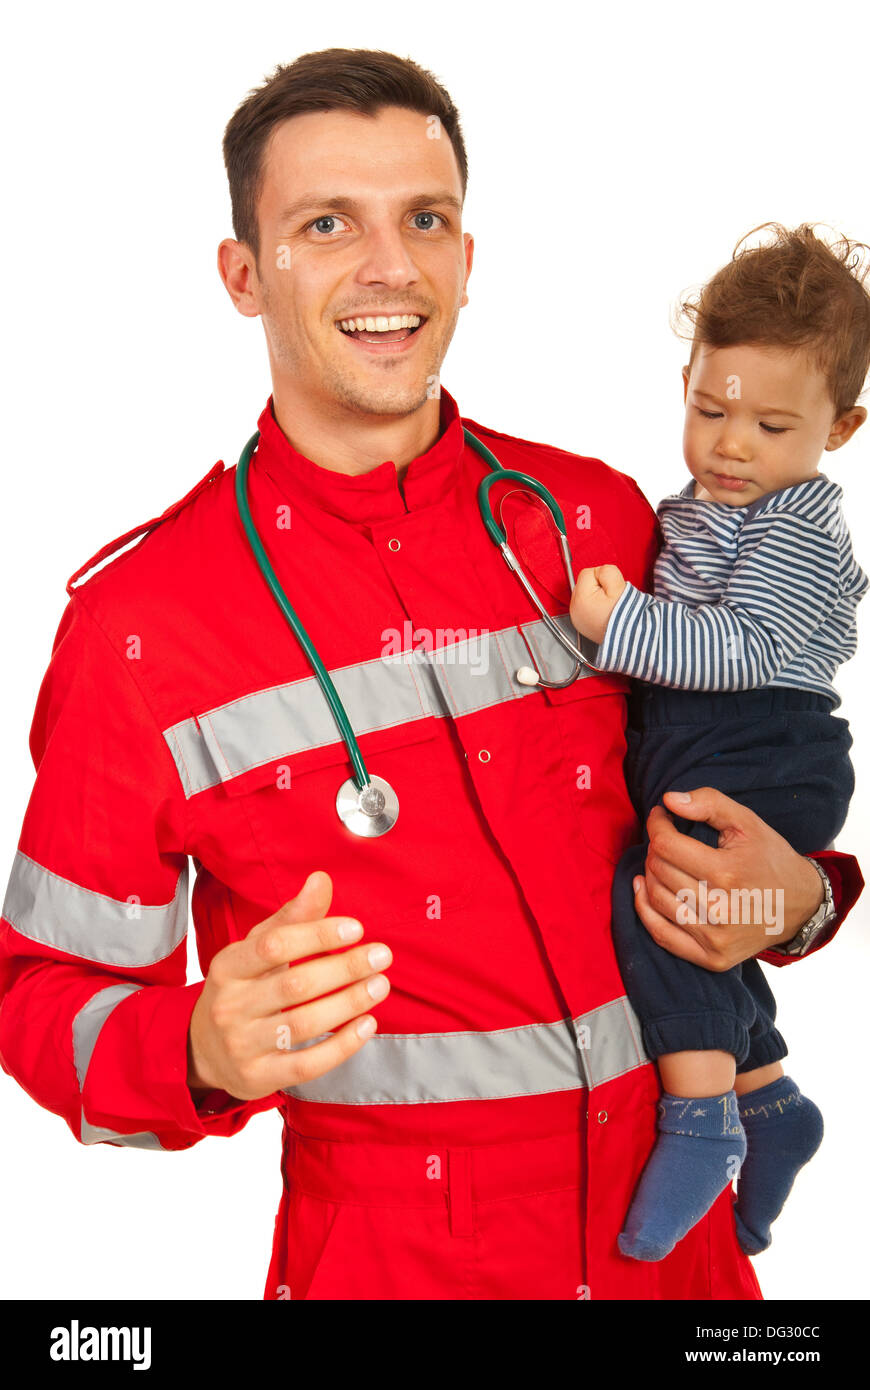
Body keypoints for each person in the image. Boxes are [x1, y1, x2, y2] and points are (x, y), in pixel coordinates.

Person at [0, 50, 863, 1302]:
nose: (389, 266)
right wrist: (192, 1045)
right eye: (326, 223)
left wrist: (800, 903)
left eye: (425, 219)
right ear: (245, 274)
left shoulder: (600, 520)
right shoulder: (138, 631)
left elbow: (745, 779)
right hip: (398, 1269)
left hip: (680, 1261)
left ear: (468, 255)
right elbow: (41, 997)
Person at [569, 223, 870, 1266]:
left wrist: (624, 627)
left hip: (764, 741)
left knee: (654, 899)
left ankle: (702, 1124)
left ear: (843, 426)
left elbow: (741, 645)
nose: (733, 444)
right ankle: (770, 1095)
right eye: (710, 409)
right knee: (696, 908)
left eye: (773, 424)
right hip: (716, 736)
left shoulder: (794, 526)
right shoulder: (707, 506)